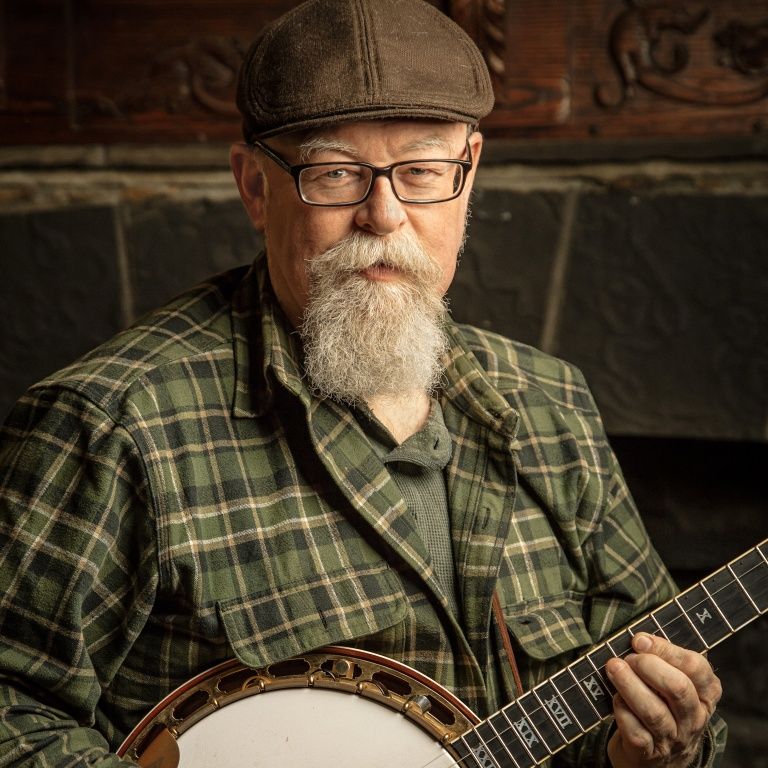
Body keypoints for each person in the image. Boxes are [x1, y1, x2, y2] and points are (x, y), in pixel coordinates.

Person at [0, 0, 725, 766]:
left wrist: (661, 748)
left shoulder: (552, 405)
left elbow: (669, 709)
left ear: (469, 173)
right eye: (337, 173)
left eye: (420, 171)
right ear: (254, 186)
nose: (384, 216)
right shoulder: (112, 424)